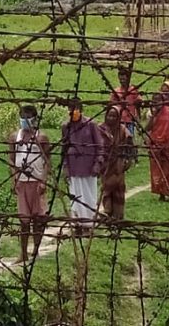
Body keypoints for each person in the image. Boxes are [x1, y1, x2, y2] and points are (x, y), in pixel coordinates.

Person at [8, 105, 51, 263]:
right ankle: (23, 253)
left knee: (37, 219)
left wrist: (44, 181)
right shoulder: (14, 137)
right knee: (23, 219)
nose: (24, 121)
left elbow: (47, 161)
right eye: (22, 117)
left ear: (34, 119)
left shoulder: (41, 138)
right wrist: (14, 178)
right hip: (22, 182)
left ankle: (36, 250)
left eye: (27, 118)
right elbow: (11, 159)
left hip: (36, 181)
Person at [61, 100, 104, 237]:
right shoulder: (66, 127)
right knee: (75, 196)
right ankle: (77, 224)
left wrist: (98, 163)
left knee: (88, 196)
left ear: (81, 109)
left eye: (75, 108)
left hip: (88, 166)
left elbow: (100, 146)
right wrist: (65, 167)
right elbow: (64, 147)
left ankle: (88, 225)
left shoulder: (90, 124)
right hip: (73, 165)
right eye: (70, 108)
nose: (73, 111)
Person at [146, 82, 169, 202]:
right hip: (155, 144)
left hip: (167, 145)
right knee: (157, 169)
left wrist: (168, 141)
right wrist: (153, 116)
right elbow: (147, 128)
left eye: (159, 100)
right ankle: (160, 193)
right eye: (154, 100)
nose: (157, 102)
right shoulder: (150, 113)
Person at [99, 106, 133, 221]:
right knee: (106, 187)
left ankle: (118, 214)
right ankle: (107, 211)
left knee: (118, 187)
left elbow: (130, 144)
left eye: (114, 116)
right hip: (105, 163)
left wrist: (129, 159)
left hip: (118, 163)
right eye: (109, 115)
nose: (111, 118)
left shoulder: (122, 130)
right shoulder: (101, 129)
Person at [110, 67, 142, 136]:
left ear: (128, 79)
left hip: (129, 121)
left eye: (124, 79)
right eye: (120, 79)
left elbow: (138, 105)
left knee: (129, 140)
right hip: (119, 120)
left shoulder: (133, 90)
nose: (122, 81)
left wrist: (138, 119)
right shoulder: (116, 91)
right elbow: (111, 106)